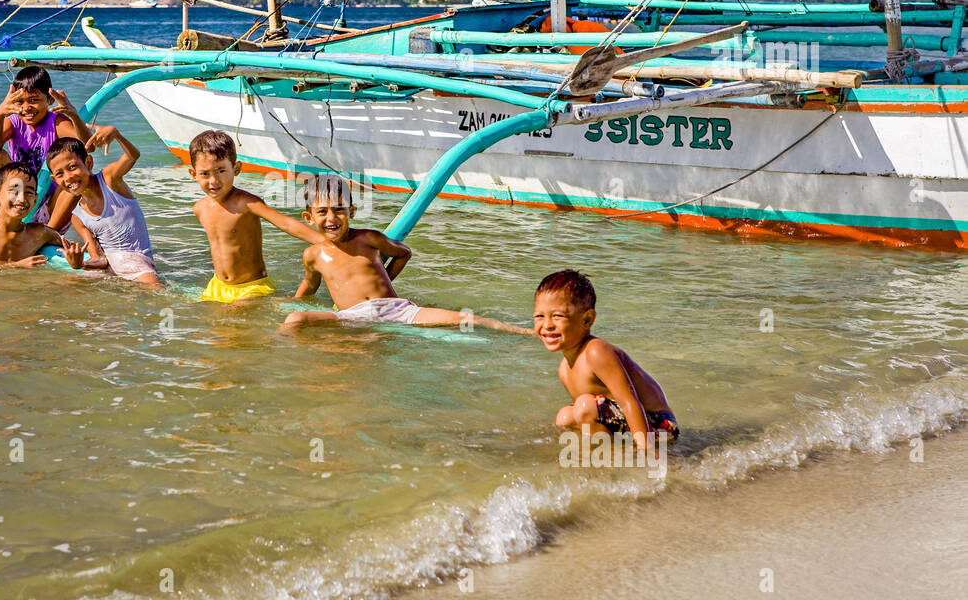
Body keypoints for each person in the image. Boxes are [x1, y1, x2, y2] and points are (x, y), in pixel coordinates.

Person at [282, 174, 528, 332]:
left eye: (338, 210)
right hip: (352, 316)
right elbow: (309, 283)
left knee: (466, 319)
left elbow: (404, 253)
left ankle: (522, 331)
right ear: (308, 217)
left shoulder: (368, 238)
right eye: (322, 212)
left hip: (395, 309)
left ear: (352, 211)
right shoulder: (313, 254)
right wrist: (291, 303)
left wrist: (386, 281)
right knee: (294, 320)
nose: (331, 218)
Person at [538, 269, 679, 449]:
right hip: (625, 423)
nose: (547, 325)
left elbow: (629, 401)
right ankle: (606, 457)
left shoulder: (596, 351)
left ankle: (624, 453)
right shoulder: (564, 369)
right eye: (539, 316)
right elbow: (593, 419)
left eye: (558, 316)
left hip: (658, 426)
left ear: (587, 320)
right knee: (565, 416)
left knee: (584, 406)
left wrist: (648, 450)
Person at [188, 129, 323, 302]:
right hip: (217, 286)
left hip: (252, 287)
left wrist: (325, 242)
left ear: (236, 169)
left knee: (239, 316)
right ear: (193, 174)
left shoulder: (246, 203)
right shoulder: (200, 208)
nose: (213, 181)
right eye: (205, 174)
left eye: (221, 171)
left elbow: (285, 223)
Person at [0, 66, 90, 229]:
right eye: (19, 102)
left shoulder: (57, 122)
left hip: (52, 204)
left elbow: (87, 146)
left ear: (50, 100)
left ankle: (49, 234)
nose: (26, 108)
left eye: (34, 100)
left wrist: (73, 115)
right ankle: (2, 221)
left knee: (74, 177)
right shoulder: (15, 120)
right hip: (20, 196)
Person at [45, 133, 162, 287]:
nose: (68, 177)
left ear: (88, 162)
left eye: (72, 167)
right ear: (54, 179)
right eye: (60, 174)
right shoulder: (77, 216)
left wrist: (117, 135)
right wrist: (79, 265)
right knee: (63, 287)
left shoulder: (109, 180)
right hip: (108, 270)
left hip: (138, 266)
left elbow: (132, 156)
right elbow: (99, 259)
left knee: (156, 289)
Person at [0, 161, 85, 269]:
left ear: (35, 199)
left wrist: (77, 262)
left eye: (29, 193)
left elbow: (71, 248)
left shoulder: (40, 233)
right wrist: (15, 265)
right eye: (14, 191)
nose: (22, 198)